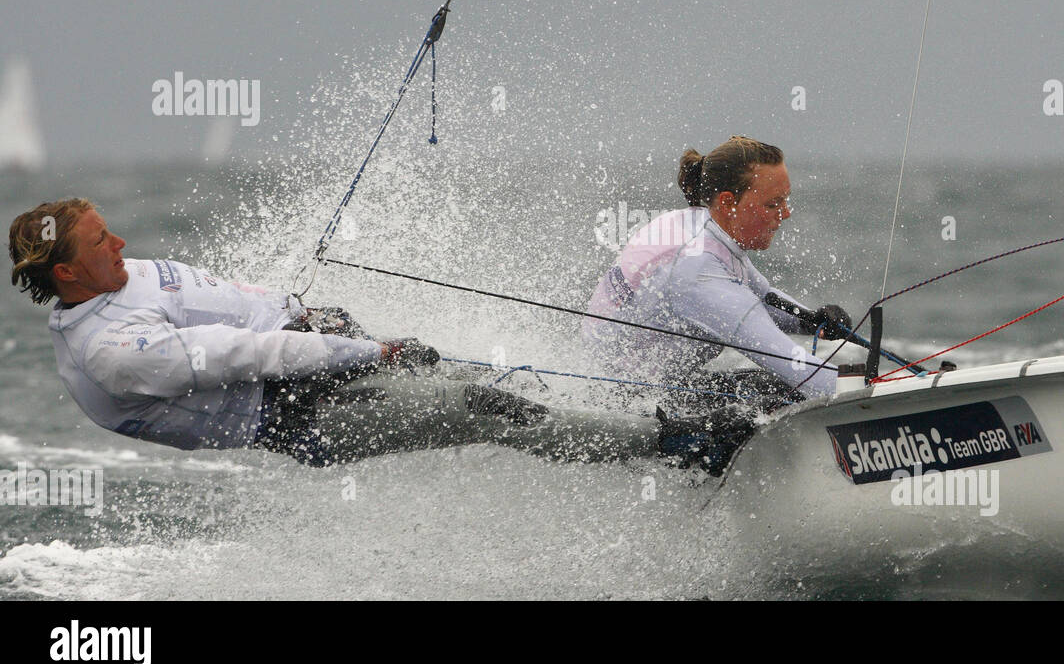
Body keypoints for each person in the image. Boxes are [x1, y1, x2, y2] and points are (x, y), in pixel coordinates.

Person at [8, 198, 561, 467]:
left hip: (323, 353)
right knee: (484, 408)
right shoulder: (112, 352)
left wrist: (319, 319)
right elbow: (253, 353)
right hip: (304, 410)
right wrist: (374, 352)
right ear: (66, 272)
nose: (121, 243)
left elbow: (235, 303)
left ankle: (610, 406)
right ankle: (644, 440)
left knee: (503, 386)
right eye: (102, 240)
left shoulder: (117, 278)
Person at [582, 136, 854, 471]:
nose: (785, 214)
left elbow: (758, 298)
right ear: (728, 202)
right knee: (771, 402)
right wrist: (867, 392)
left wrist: (810, 321)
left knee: (774, 391)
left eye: (785, 201)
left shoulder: (702, 228)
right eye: (773, 204)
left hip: (660, 385)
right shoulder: (696, 269)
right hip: (627, 407)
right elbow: (783, 358)